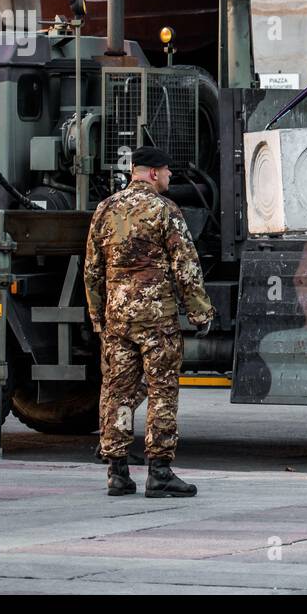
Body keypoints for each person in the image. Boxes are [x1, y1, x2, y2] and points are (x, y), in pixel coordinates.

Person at [84, 146, 214, 497]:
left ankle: (118, 472)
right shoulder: (164, 210)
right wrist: (200, 311)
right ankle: (159, 472)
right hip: (156, 319)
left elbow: (92, 269)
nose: (171, 177)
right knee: (161, 391)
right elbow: (185, 267)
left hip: (116, 317)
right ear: (153, 173)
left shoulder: (105, 209)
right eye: (168, 171)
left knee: (117, 392)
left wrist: (98, 316)